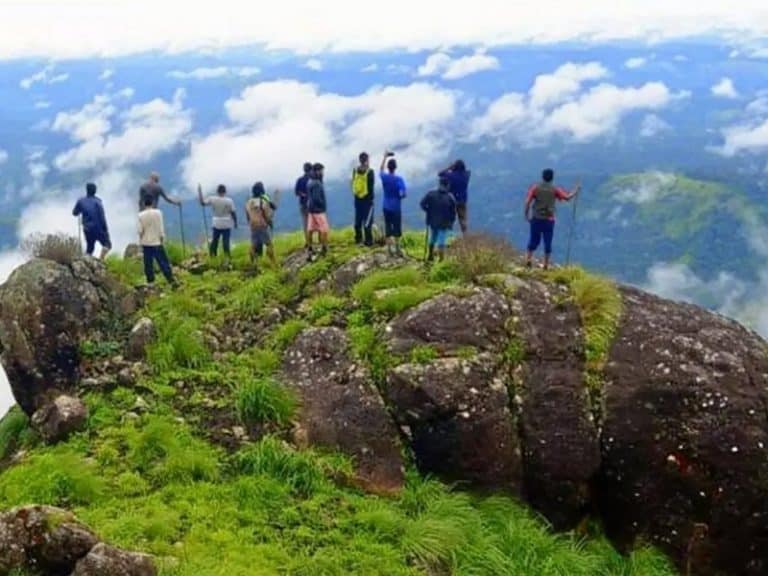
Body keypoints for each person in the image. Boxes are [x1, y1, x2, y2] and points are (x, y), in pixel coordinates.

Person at [524, 168, 580, 270]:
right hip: (549, 220)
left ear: (542, 177)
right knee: (548, 241)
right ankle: (545, 265)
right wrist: (575, 191)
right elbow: (567, 197)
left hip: (536, 218)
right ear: (552, 178)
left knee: (533, 239)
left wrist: (526, 214)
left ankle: (528, 260)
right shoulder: (555, 189)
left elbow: (527, 202)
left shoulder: (535, 188)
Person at [138, 195, 178, 287]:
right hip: (157, 242)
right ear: (152, 203)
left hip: (146, 243)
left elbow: (140, 231)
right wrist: (162, 238)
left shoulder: (140, 215)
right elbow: (161, 227)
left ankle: (150, 282)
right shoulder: (158, 213)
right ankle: (171, 280)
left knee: (148, 263)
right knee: (163, 262)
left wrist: (140, 243)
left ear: (144, 204)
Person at [420, 175, 457, 262]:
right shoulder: (450, 197)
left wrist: (428, 210)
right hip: (444, 222)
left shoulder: (431, 194)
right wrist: (451, 222)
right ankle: (441, 259)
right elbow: (453, 212)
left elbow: (422, 204)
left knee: (433, 237)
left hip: (432, 220)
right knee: (441, 239)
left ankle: (430, 255)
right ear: (447, 185)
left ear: (439, 184)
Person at [72, 182, 111, 259]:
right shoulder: (98, 202)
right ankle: (101, 259)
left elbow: (74, 213)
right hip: (99, 228)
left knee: (90, 248)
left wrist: (80, 210)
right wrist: (105, 229)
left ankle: (86, 261)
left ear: (87, 190)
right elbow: (102, 217)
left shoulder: (81, 201)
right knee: (107, 245)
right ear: (95, 191)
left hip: (87, 228)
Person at [198, 183, 237, 259]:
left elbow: (202, 203)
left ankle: (213, 256)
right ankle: (227, 257)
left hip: (216, 223)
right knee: (226, 242)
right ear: (225, 192)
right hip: (226, 223)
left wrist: (199, 192)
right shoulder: (229, 201)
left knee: (215, 241)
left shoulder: (213, 199)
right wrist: (235, 223)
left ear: (217, 191)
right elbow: (233, 213)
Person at [379, 151, 407, 257]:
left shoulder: (384, 177)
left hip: (386, 206)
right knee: (397, 228)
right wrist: (399, 196)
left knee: (387, 226)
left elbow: (381, 169)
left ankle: (389, 250)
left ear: (388, 167)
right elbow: (403, 194)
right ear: (395, 167)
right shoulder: (399, 180)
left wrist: (384, 157)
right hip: (396, 207)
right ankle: (398, 249)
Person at [245, 182, 278, 268]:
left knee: (253, 245)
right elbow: (266, 215)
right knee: (269, 244)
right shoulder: (262, 202)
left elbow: (247, 215)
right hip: (262, 226)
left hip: (253, 226)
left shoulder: (248, 202)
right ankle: (274, 263)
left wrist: (250, 222)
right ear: (261, 191)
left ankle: (253, 263)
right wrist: (270, 223)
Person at [439, 159, 471, 234]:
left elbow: (440, 174)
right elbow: (467, 171)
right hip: (463, 200)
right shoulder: (466, 175)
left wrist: (449, 167)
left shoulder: (451, 175)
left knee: (450, 219)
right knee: (463, 219)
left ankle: (449, 235)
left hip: (452, 200)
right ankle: (465, 236)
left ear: (455, 167)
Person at [306, 163, 330, 261]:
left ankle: (310, 248)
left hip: (311, 210)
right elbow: (316, 198)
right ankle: (324, 248)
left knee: (310, 229)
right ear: (318, 171)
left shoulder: (310, 181)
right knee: (324, 229)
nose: (323, 173)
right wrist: (322, 205)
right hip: (318, 211)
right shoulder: (317, 183)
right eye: (322, 171)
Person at [352, 152, 375, 247]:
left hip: (357, 199)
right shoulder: (370, 172)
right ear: (366, 160)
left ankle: (358, 239)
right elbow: (371, 186)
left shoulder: (355, 170)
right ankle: (368, 241)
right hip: (367, 201)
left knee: (358, 219)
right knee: (367, 221)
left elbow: (353, 182)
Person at [295, 162, 313, 247]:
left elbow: (296, 192)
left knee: (305, 223)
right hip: (313, 204)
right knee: (314, 222)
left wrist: (303, 194)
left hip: (303, 204)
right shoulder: (313, 179)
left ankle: (308, 241)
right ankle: (314, 240)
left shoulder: (300, 180)